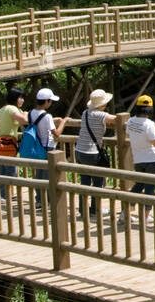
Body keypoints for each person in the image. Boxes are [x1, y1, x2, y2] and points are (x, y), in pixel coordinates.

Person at [75, 89, 114, 217]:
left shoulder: (85, 113)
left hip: (79, 151)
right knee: (98, 182)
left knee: (84, 181)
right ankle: (95, 209)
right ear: (102, 105)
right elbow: (115, 119)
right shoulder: (101, 115)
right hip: (91, 153)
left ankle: (83, 209)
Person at [0, 87, 28, 201]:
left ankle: (3, 194)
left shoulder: (2, 109)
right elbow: (24, 121)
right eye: (21, 98)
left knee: (3, 170)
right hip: (8, 143)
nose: (22, 100)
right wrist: (26, 113)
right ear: (15, 98)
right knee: (11, 170)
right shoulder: (12, 109)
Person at [28, 88, 67, 185]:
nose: (50, 103)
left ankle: (39, 198)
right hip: (47, 148)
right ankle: (48, 198)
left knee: (39, 173)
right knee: (48, 175)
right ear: (46, 101)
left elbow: (38, 121)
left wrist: (53, 120)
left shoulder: (30, 113)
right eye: (50, 101)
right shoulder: (47, 116)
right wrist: (63, 122)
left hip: (36, 147)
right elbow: (57, 134)